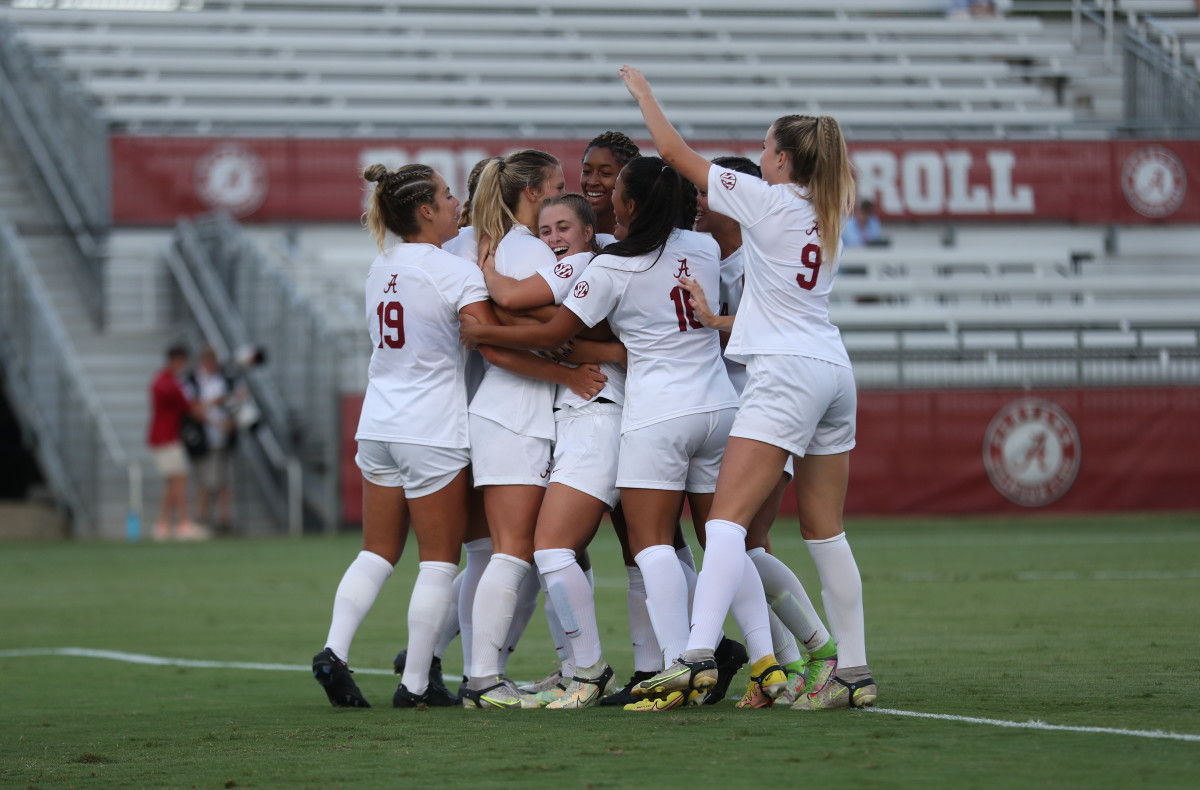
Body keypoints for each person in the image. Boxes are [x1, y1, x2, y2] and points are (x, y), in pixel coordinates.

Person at [619, 65, 876, 711]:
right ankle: (853, 671)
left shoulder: (770, 199)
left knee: (725, 524)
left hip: (785, 375)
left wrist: (644, 95)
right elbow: (785, 303)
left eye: (765, 148)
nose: (759, 158)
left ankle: (695, 656)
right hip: (832, 369)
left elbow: (673, 153)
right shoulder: (830, 205)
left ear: (783, 160)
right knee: (826, 533)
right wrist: (718, 320)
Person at [312, 162, 604, 710]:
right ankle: (418, 684)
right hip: (433, 428)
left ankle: (335, 649)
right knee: (444, 562)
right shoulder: (456, 268)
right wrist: (567, 353)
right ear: (425, 210)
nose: (456, 205)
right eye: (446, 197)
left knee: (377, 552)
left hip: (376, 424)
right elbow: (490, 338)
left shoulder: (379, 266)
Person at [460, 155, 746, 713]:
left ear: (601, 224)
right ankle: (683, 659)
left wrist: (490, 309)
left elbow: (547, 326)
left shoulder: (596, 262)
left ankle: (599, 670)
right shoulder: (691, 249)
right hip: (653, 408)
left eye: (564, 226)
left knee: (568, 549)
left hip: (607, 411)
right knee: (663, 547)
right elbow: (559, 330)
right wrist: (572, 350)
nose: (554, 238)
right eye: (546, 228)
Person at [146, 344, 206, 541]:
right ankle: (183, 523)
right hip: (168, 437)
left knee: (172, 482)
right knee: (180, 480)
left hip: (163, 436)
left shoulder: (160, 380)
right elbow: (191, 408)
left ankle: (163, 524)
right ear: (177, 360)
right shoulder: (170, 383)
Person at [187, 347, 234, 536]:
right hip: (203, 441)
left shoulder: (223, 379)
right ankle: (202, 519)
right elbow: (193, 409)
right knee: (205, 482)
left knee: (224, 482)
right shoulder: (193, 380)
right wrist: (215, 408)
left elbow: (233, 401)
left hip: (224, 440)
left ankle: (223, 520)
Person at [580, 131, 641, 236]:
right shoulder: (568, 234)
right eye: (586, 171)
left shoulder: (645, 239)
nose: (592, 182)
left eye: (605, 173)